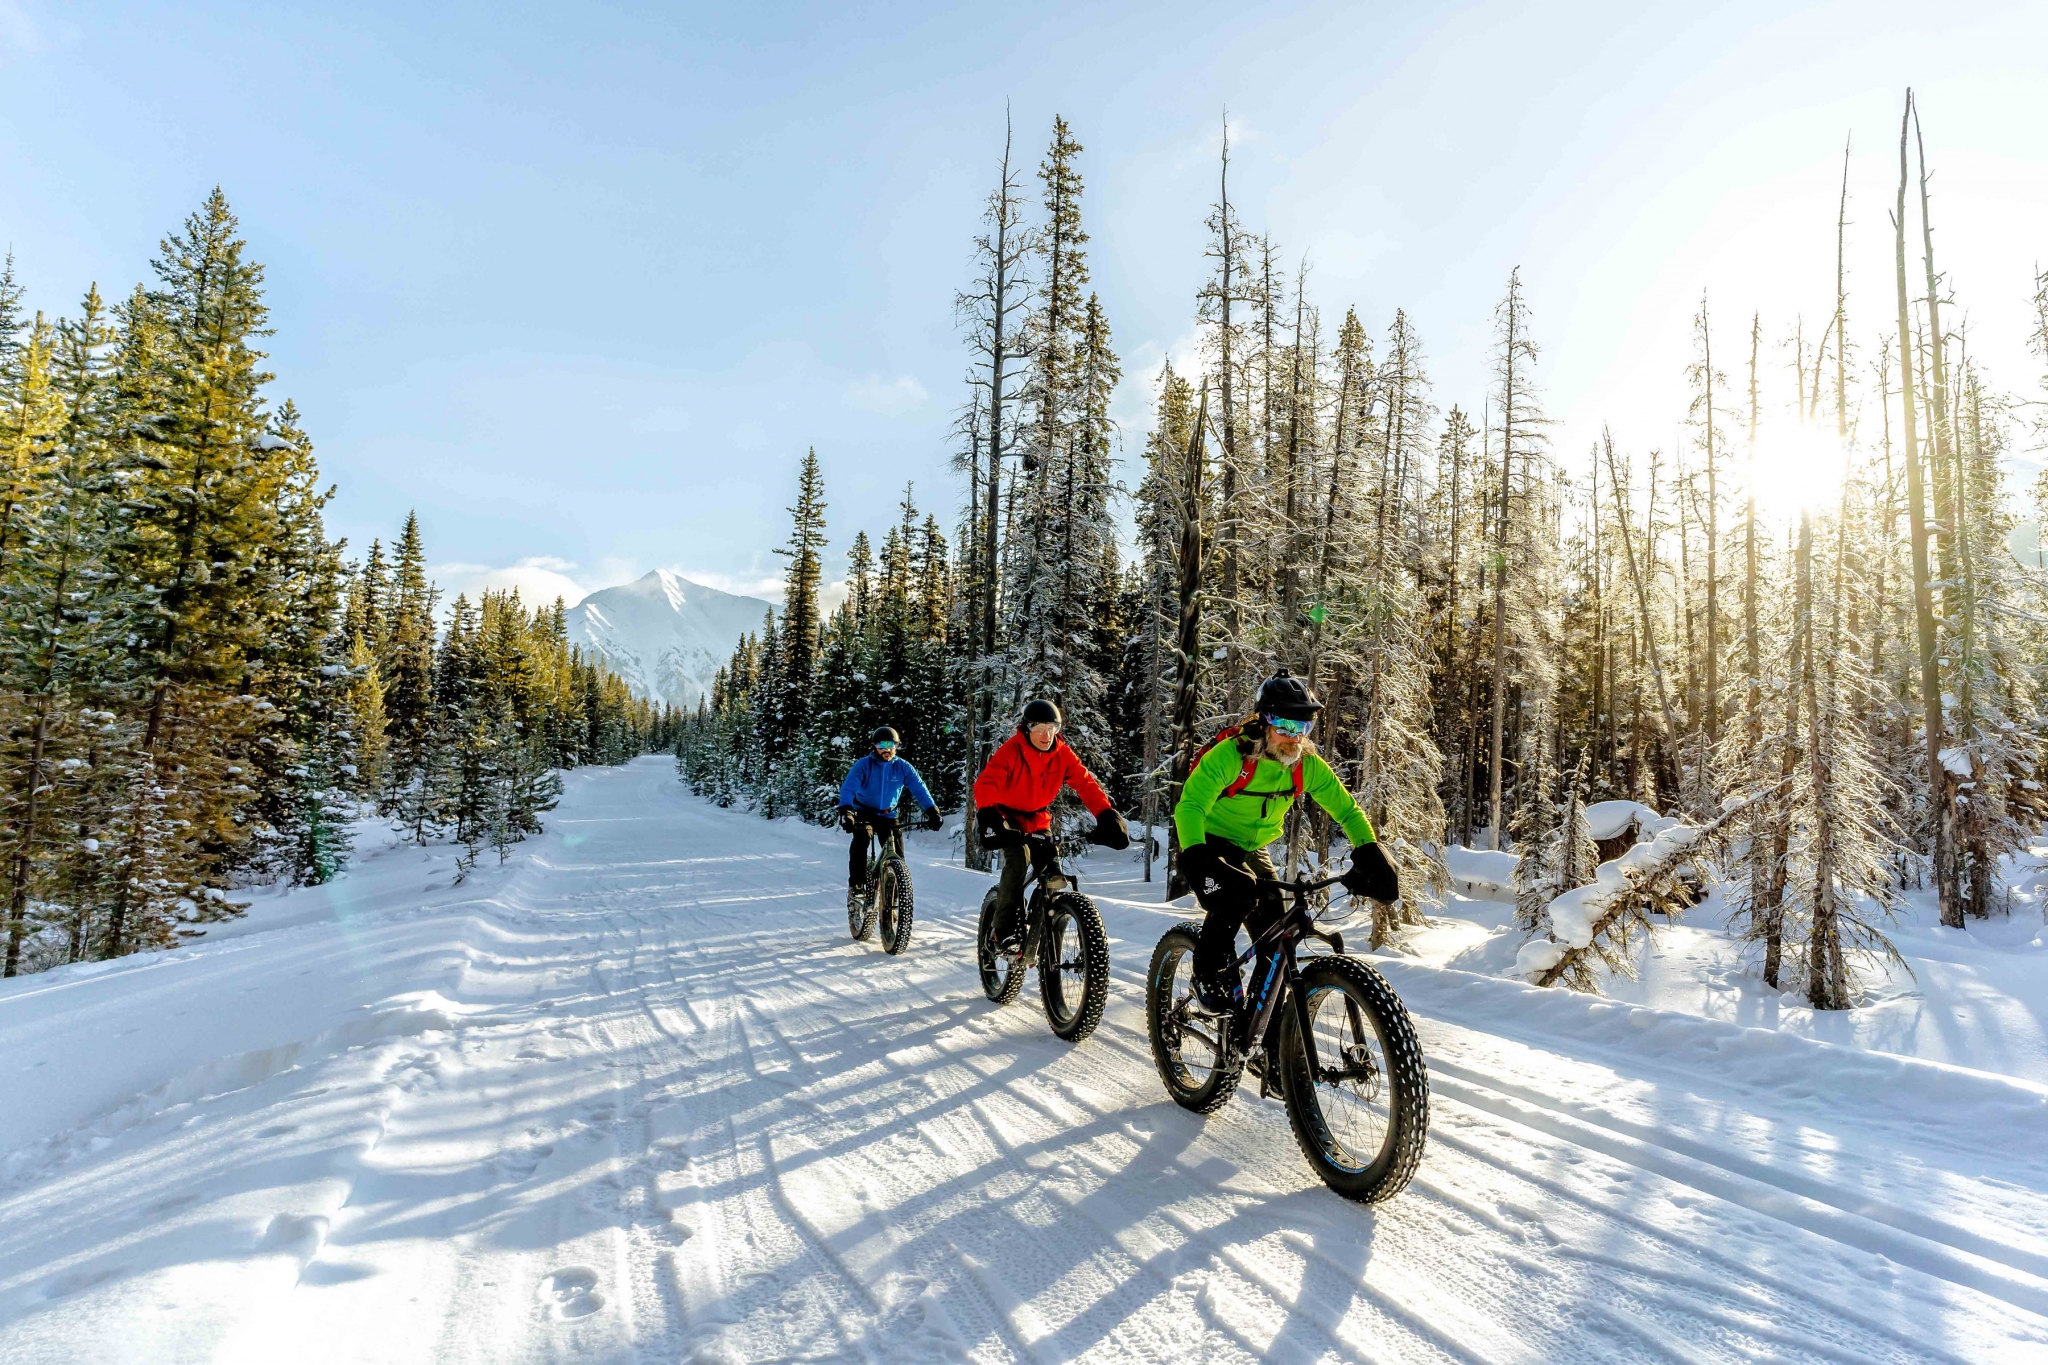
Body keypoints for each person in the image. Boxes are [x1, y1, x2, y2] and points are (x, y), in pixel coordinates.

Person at [1173, 669, 1400, 1011]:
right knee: (1234, 900)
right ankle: (1207, 973)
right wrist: (1197, 855)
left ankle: (1260, 1032)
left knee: (1276, 941)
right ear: (1263, 723)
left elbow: (1348, 811)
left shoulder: (1305, 766)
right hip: (1211, 840)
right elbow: (1190, 806)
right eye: (1285, 728)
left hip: (1252, 848)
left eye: (1303, 728)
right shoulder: (1231, 756)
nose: (1294, 738)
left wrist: (1370, 850)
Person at [973, 699, 1129, 947]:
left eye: (1051, 728)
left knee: (1052, 869)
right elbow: (986, 784)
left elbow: (1085, 783)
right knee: (1018, 859)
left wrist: (1106, 814)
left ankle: (1049, 925)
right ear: (1027, 728)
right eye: (1039, 729)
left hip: (1037, 818)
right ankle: (1002, 931)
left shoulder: (1062, 753)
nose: (1046, 735)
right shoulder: (1012, 750)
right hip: (1007, 818)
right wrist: (989, 816)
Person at [837, 727, 943, 904]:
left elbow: (919, 788)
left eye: (890, 744)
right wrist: (847, 811)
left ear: (897, 745)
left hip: (888, 815)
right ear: (874, 747)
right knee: (861, 840)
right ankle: (856, 886)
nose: (886, 749)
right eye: (881, 745)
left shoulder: (902, 767)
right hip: (863, 812)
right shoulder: (864, 765)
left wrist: (932, 810)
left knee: (897, 854)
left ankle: (894, 888)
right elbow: (849, 788)